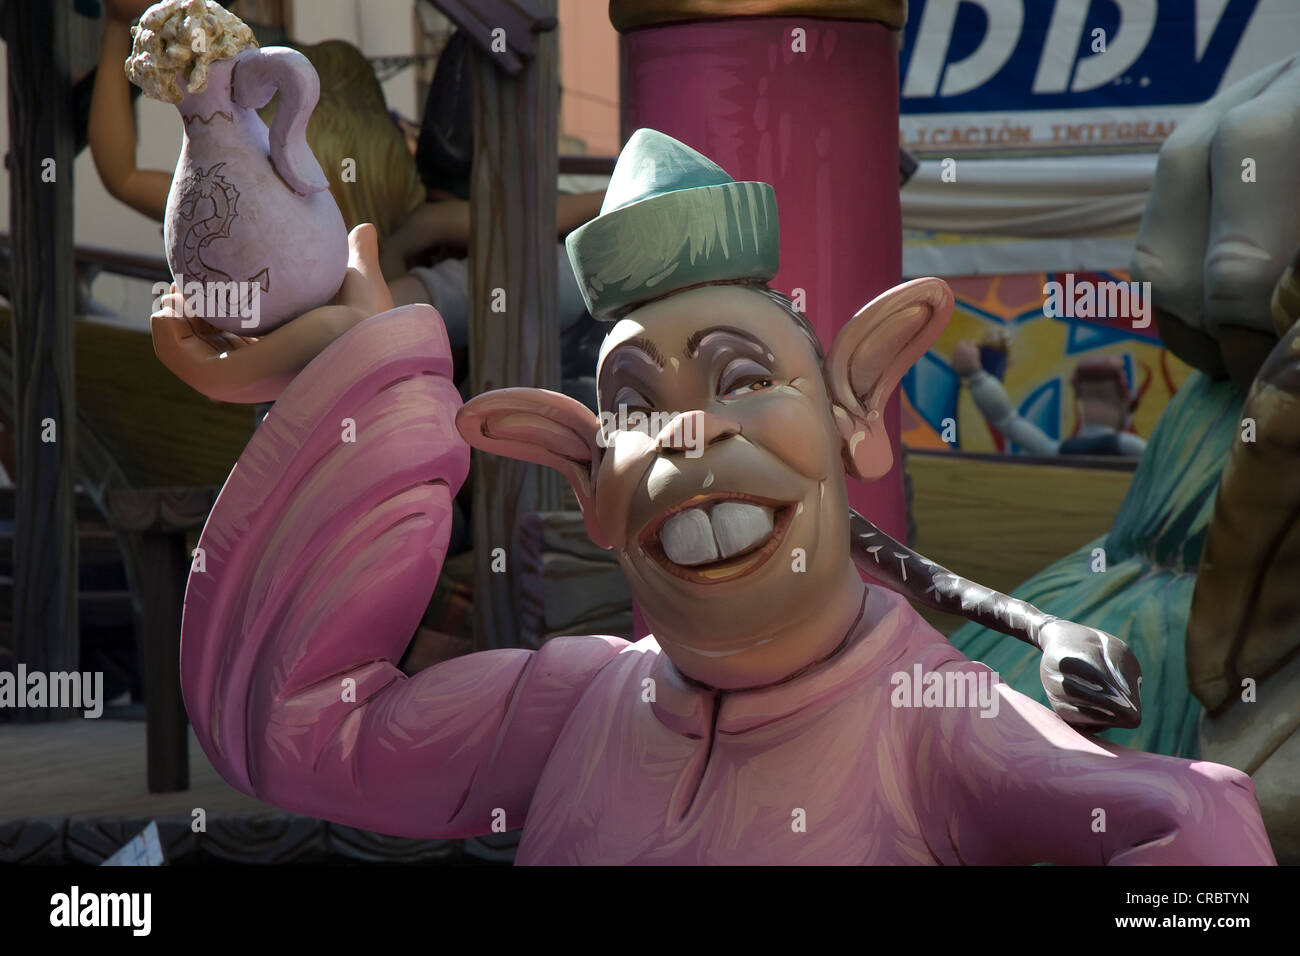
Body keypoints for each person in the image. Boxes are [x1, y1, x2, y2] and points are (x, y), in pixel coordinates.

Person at [149, 130, 1274, 864]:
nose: (686, 436)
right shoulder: (565, 705)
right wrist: (358, 382)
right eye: (633, 408)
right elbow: (299, 729)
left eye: (743, 379)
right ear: (583, 480)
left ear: (859, 407)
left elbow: (1197, 828)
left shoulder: (939, 727)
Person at [952, 341, 1147, 456]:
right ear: (1123, 401)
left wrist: (976, 376)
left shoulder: (1061, 451)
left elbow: (1007, 420)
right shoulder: (1130, 447)